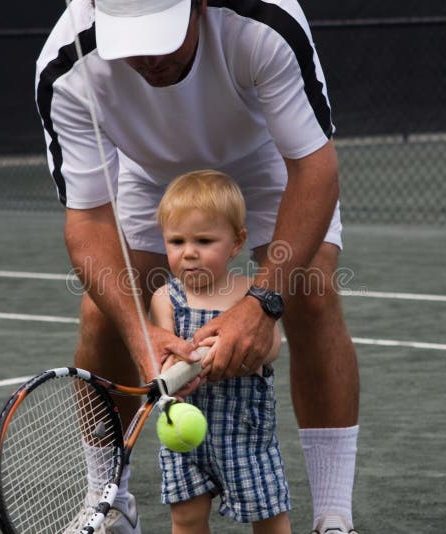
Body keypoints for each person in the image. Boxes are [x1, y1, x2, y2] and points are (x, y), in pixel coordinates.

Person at [36, 1, 360, 533]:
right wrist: (142, 338)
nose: (145, 56)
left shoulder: (262, 24)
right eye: (129, 39)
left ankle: (333, 517)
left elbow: (314, 168)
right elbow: (89, 223)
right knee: (103, 316)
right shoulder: (67, 64)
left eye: (159, 35)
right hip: (148, 173)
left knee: (311, 291)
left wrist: (262, 303)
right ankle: (106, 500)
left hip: (266, 159)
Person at [150, 170, 289, 533]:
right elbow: (162, 356)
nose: (189, 252)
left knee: (269, 515)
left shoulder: (250, 296)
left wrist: (228, 350)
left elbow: (271, 346)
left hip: (243, 430)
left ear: (236, 242)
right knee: (186, 518)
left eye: (205, 240)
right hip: (184, 429)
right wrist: (177, 363)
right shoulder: (165, 298)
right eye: (176, 241)